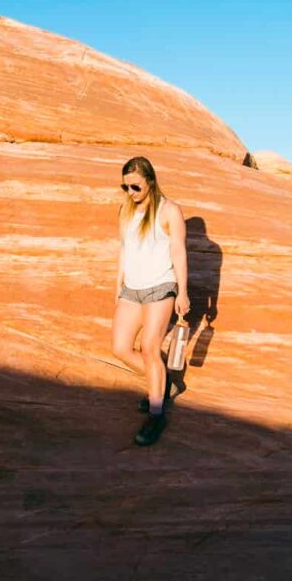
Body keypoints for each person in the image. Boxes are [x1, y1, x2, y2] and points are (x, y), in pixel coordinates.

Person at [110, 156, 190, 446]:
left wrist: (182, 291)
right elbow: (125, 247)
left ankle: (157, 415)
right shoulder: (126, 210)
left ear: (150, 181)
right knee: (120, 348)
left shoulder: (169, 211)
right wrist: (118, 280)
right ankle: (163, 382)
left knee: (149, 348)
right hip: (132, 288)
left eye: (135, 186)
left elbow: (179, 252)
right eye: (125, 187)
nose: (130, 192)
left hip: (160, 287)